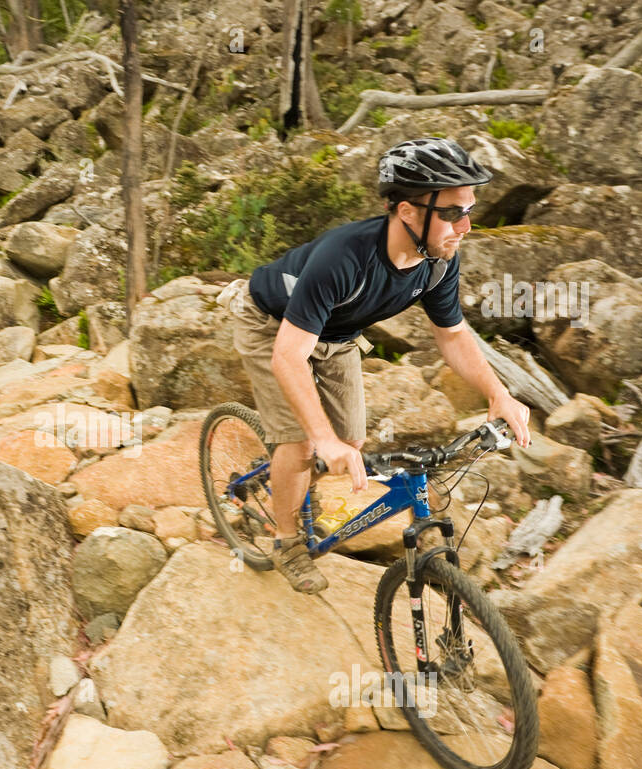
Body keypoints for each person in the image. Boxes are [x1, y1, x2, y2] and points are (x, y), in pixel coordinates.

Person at [217, 137, 532, 595]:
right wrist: (320, 440)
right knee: (305, 442)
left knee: (352, 440)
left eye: (469, 210)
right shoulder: (345, 257)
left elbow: (453, 335)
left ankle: (292, 479)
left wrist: (498, 394)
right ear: (407, 211)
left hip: (337, 336)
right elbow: (288, 356)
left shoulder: (437, 262)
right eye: (451, 212)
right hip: (273, 325)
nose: (465, 225)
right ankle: (286, 541)